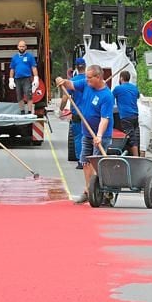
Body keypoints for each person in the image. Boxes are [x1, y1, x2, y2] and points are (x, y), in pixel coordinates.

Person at [58, 64, 113, 203]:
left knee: (97, 164)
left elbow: (105, 118)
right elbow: (70, 84)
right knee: (85, 162)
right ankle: (88, 190)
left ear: (98, 77)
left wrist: (99, 136)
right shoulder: (85, 84)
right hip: (86, 133)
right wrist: (62, 81)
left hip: (101, 136)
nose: (87, 80)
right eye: (87, 78)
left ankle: (103, 191)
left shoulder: (106, 96)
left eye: (89, 78)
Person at [58, 57, 88, 169]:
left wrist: (61, 109)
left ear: (76, 67)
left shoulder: (73, 81)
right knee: (89, 136)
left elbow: (65, 97)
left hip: (77, 113)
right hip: (90, 114)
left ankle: (81, 161)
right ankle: (90, 160)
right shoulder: (90, 80)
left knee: (78, 137)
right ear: (85, 66)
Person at [112, 71, 140, 156]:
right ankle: (129, 153)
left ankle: (136, 157)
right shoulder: (134, 88)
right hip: (135, 115)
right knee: (133, 135)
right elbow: (137, 96)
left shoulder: (118, 89)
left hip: (125, 115)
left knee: (131, 137)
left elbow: (110, 99)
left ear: (121, 78)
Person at [8, 40, 39, 115]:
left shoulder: (30, 56)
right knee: (19, 96)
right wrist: (11, 80)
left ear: (26, 47)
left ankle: (29, 112)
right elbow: (12, 69)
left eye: (23, 46)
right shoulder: (14, 58)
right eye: (20, 46)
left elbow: (34, 68)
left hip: (27, 79)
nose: (21, 48)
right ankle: (22, 111)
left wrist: (36, 78)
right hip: (17, 79)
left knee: (29, 95)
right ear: (17, 47)